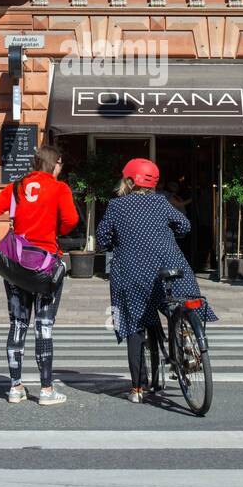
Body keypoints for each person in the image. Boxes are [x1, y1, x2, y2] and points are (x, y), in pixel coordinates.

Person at [98, 158, 219, 404]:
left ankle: (137, 389)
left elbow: (102, 237)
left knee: (134, 326)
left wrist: (116, 244)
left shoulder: (116, 206)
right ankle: (184, 336)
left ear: (130, 181)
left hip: (132, 273)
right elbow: (184, 225)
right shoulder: (162, 202)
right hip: (170, 267)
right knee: (177, 302)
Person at [0, 145, 80, 407]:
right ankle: (46, 390)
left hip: (15, 266)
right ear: (54, 163)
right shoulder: (60, 189)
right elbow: (71, 220)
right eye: (60, 164)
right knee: (44, 326)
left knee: (17, 324)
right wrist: (54, 228)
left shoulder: (16, 188)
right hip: (45, 266)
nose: (61, 169)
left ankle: (15, 387)